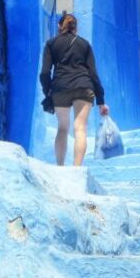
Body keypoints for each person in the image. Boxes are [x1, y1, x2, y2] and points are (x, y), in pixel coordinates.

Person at [40, 13, 109, 166]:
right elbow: (93, 73)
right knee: (80, 128)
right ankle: (77, 169)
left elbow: (45, 73)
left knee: (62, 128)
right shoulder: (85, 44)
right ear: (76, 28)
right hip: (83, 86)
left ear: (59, 26)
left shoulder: (51, 44)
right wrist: (101, 100)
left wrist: (48, 92)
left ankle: (60, 166)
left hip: (60, 87)